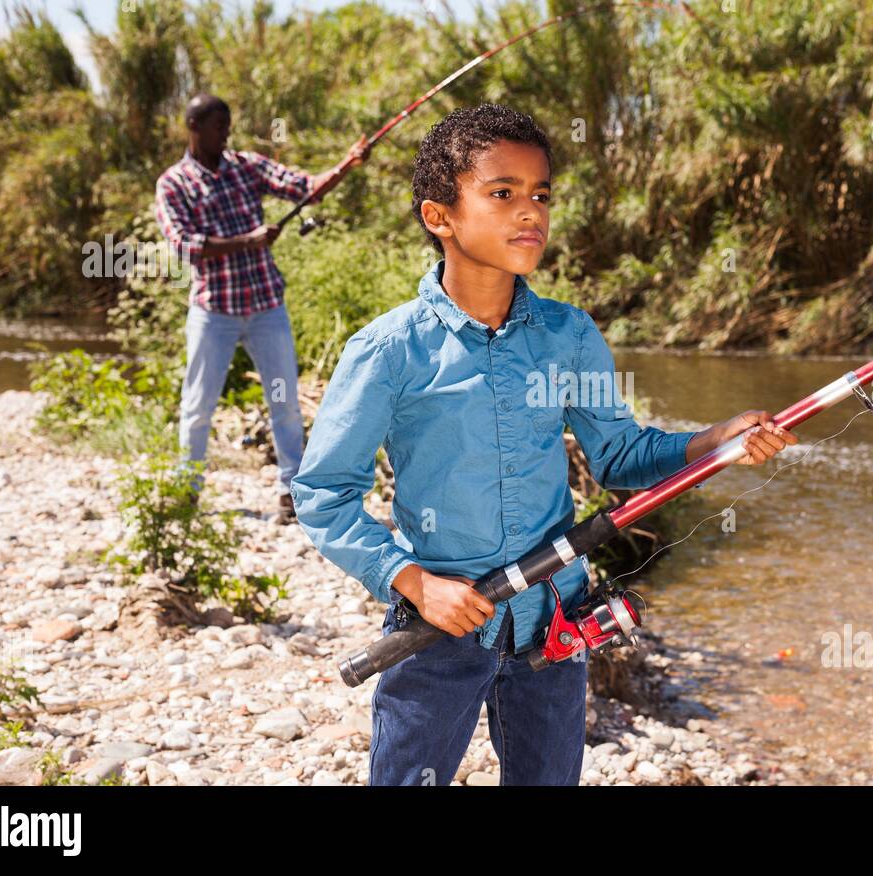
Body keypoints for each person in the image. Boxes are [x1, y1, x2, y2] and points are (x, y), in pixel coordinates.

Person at [290, 104, 798, 785]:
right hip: (437, 626)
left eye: (541, 194)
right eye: (503, 193)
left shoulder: (570, 335)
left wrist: (714, 441)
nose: (530, 210)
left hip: (556, 622)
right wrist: (412, 581)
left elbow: (620, 457)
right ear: (438, 217)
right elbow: (324, 494)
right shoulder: (388, 351)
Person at [154, 93, 361, 522]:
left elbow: (306, 188)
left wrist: (347, 164)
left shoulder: (245, 165)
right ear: (193, 128)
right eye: (218, 127)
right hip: (214, 313)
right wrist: (247, 240)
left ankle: (291, 494)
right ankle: (187, 491)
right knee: (198, 407)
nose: (226, 134)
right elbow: (185, 246)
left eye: (228, 126)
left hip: (267, 306)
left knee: (283, 401)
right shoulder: (173, 184)